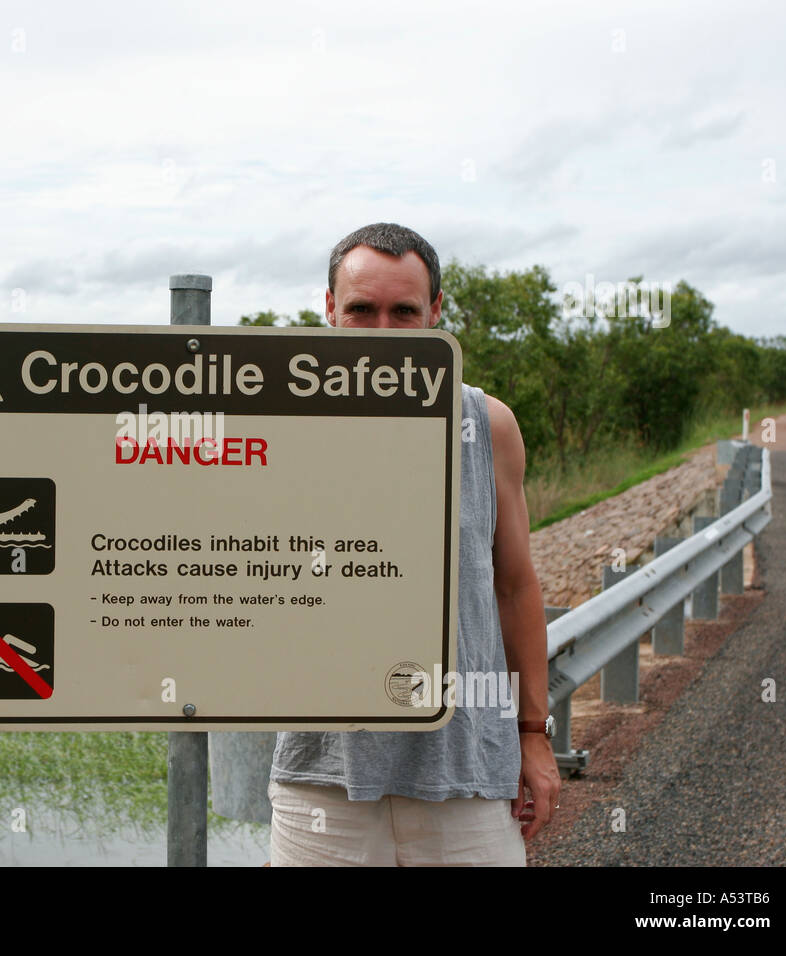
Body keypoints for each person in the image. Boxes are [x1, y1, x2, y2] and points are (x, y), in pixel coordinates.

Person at [268, 222, 560, 866]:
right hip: (323, 775)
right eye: (361, 310)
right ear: (328, 311)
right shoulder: (280, 423)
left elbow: (514, 586)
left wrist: (535, 737)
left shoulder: (487, 426)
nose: (382, 333)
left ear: (434, 314)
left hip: (465, 773)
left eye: (403, 312)